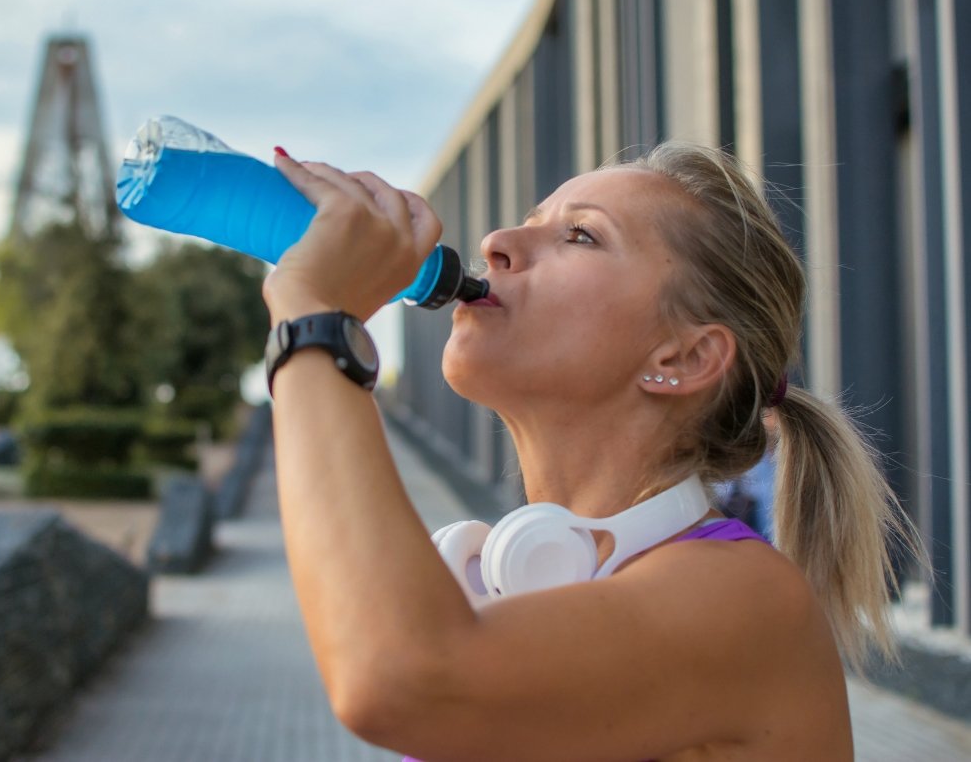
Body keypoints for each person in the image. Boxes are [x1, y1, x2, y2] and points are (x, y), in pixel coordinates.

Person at [263, 142, 924, 761]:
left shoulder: (748, 600)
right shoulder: (529, 600)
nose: (495, 243)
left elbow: (399, 678)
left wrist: (312, 318)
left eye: (580, 235)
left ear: (684, 357)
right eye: (531, 221)